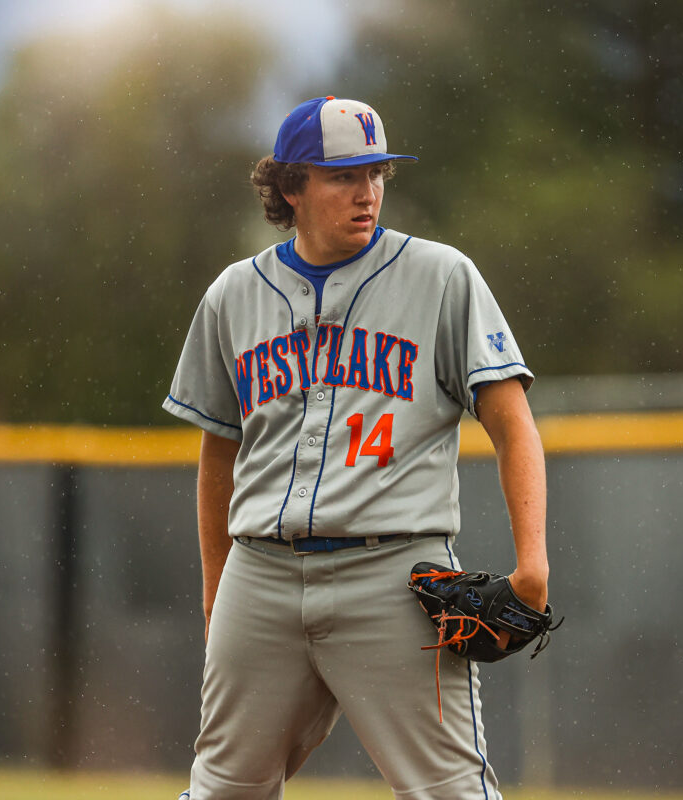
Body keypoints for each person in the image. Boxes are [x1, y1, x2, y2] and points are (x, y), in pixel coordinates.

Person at [163, 95, 549, 799]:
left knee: (450, 792)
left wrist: (533, 563)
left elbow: (512, 423)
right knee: (222, 790)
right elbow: (219, 455)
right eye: (343, 176)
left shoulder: (441, 277)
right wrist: (217, 591)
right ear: (291, 187)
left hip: (394, 574)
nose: (367, 192)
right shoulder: (233, 295)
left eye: (377, 173)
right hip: (261, 572)